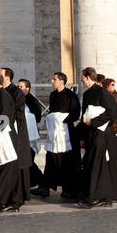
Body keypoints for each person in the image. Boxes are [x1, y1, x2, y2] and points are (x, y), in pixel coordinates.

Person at [77, 66, 117, 208]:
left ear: (88, 78)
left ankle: (98, 197)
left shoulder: (102, 92)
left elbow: (111, 113)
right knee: (93, 163)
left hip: (102, 133)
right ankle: (97, 196)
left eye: (82, 79)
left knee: (99, 164)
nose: (82, 81)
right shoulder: (87, 94)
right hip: (91, 133)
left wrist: (93, 121)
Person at [0, 68, 27, 214]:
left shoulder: (2, 95)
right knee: (9, 170)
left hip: (6, 137)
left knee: (7, 170)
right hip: (5, 135)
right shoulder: (2, 95)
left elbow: (4, 117)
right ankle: (13, 202)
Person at [39, 71, 80, 200]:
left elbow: (75, 113)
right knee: (50, 159)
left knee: (66, 161)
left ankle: (68, 189)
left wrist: (60, 119)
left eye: (54, 79)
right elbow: (51, 111)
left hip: (65, 132)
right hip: (54, 133)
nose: (52, 81)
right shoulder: (52, 95)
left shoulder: (71, 95)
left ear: (61, 81)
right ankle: (45, 187)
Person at [18, 78, 44, 196]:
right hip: (22, 134)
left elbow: (37, 116)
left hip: (29, 134)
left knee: (29, 161)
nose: (18, 89)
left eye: (21, 87)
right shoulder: (19, 98)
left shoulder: (32, 100)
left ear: (27, 89)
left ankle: (41, 181)